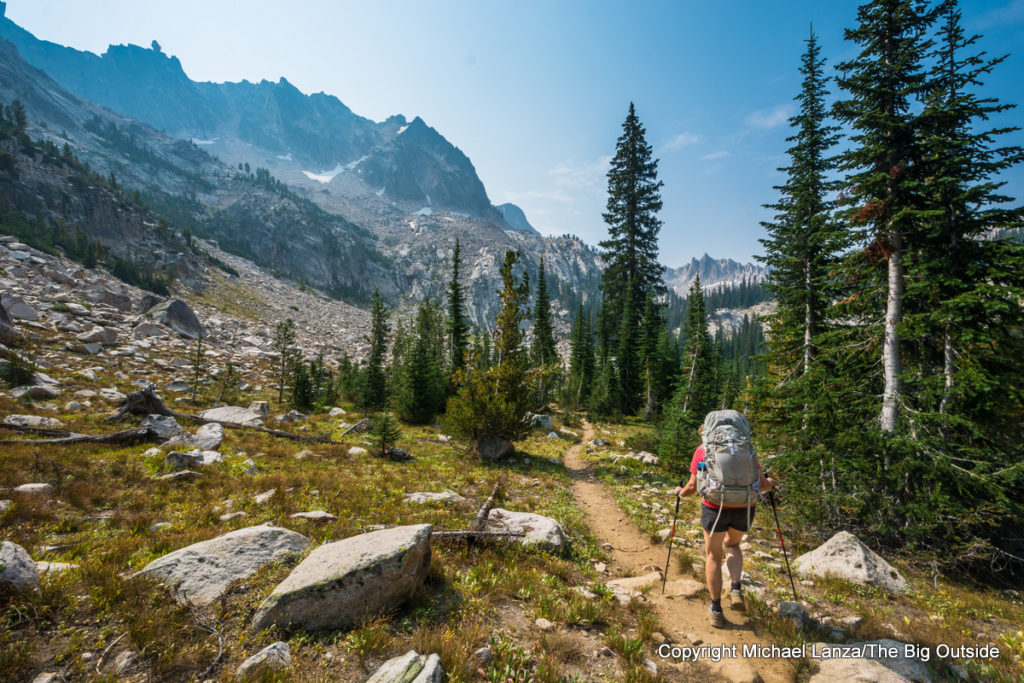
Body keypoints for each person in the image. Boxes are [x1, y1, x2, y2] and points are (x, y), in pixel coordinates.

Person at [672, 420, 774, 628]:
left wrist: (679, 493)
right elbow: (763, 486)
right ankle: (736, 587)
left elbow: (692, 485)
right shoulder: (746, 449)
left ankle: (716, 609)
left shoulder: (703, 449)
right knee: (733, 545)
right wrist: (771, 484)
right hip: (744, 507)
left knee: (713, 556)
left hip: (714, 506)